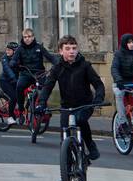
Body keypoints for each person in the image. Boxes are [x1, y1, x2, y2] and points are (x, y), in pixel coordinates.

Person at [35, 35, 105, 171]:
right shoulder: (57, 68)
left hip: (85, 105)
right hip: (67, 107)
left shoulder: (85, 66)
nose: (72, 51)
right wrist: (41, 103)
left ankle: (90, 145)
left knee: (80, 120)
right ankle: (66, 176)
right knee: (64, 139)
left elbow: (98, 84)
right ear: (61, 51)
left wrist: (98, 98)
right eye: (67, 49)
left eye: (74, 48)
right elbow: (48, 87)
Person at [13, 28, 60, 115]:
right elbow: (14, 59)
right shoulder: (20, 49)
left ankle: (43, 107)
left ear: (33, 37)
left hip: (39, 74)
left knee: (45, 88)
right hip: (26, 74)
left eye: (29, 36)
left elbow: (50, 57)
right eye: (25, 37)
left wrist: (57, 62)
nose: (27, 38)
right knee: (19, 87)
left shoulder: (39, 47)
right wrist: (13, 63)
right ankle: (21, 109)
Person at [0, 42, 20, 119]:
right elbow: (7, 69)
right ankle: (11, 116)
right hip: (5, 81)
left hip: (15, 80)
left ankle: (16, 108)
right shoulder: (4, 58)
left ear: (14, 51)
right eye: (6, 50)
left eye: (9, 50)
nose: (7, 51)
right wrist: (14, 78)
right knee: (14, 97)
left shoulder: (18, 58)